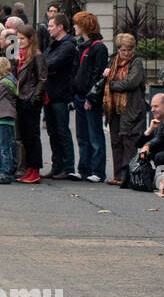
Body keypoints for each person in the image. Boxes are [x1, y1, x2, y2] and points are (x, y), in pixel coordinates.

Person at [103, 33, 146, 184]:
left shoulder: (136, 63)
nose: (126, 53)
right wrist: (108, 80)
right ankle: (118, 175)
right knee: (116, 141)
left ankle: (128, 176)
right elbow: (105, 80)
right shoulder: (113, 61)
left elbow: (131, 82)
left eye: (129, 50)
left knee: (128, 141)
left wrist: (113, 84)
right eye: (123, 50)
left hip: (131, 107)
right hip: (114, 107)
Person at [71, 12, 108, 182]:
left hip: (89, 97)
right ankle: (84, 168)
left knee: (94, 135)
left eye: (77, 24)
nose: (74, 27)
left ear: (85, 25)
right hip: (79, 95)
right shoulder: (81, 46)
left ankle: (98, 170)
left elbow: (97, 75)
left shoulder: (98, 47)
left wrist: (91, 97)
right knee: (82, 136)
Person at [43, 12, 78, 178]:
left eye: (51, 26)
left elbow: (51, 63)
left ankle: (68, 167)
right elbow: (45, 63)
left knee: (62, 131)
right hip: (50, 93)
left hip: (61, 94)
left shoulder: (68, 46)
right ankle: (57, 166)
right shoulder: (54, 45)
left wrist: (47, 67)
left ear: (60, 27)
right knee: (52, 132)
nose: (49, 29)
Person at [14, 24, 47, 183]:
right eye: (18, 38)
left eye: (22, 38)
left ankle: (35, 170)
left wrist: (34, 99)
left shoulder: (37, 55)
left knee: (32, 137)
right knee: (26, 137)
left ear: (30, 39)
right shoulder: (20, 54)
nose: (19, 41)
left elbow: (42, 79)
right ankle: (29, 169)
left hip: (30, 100)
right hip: (20, 98)